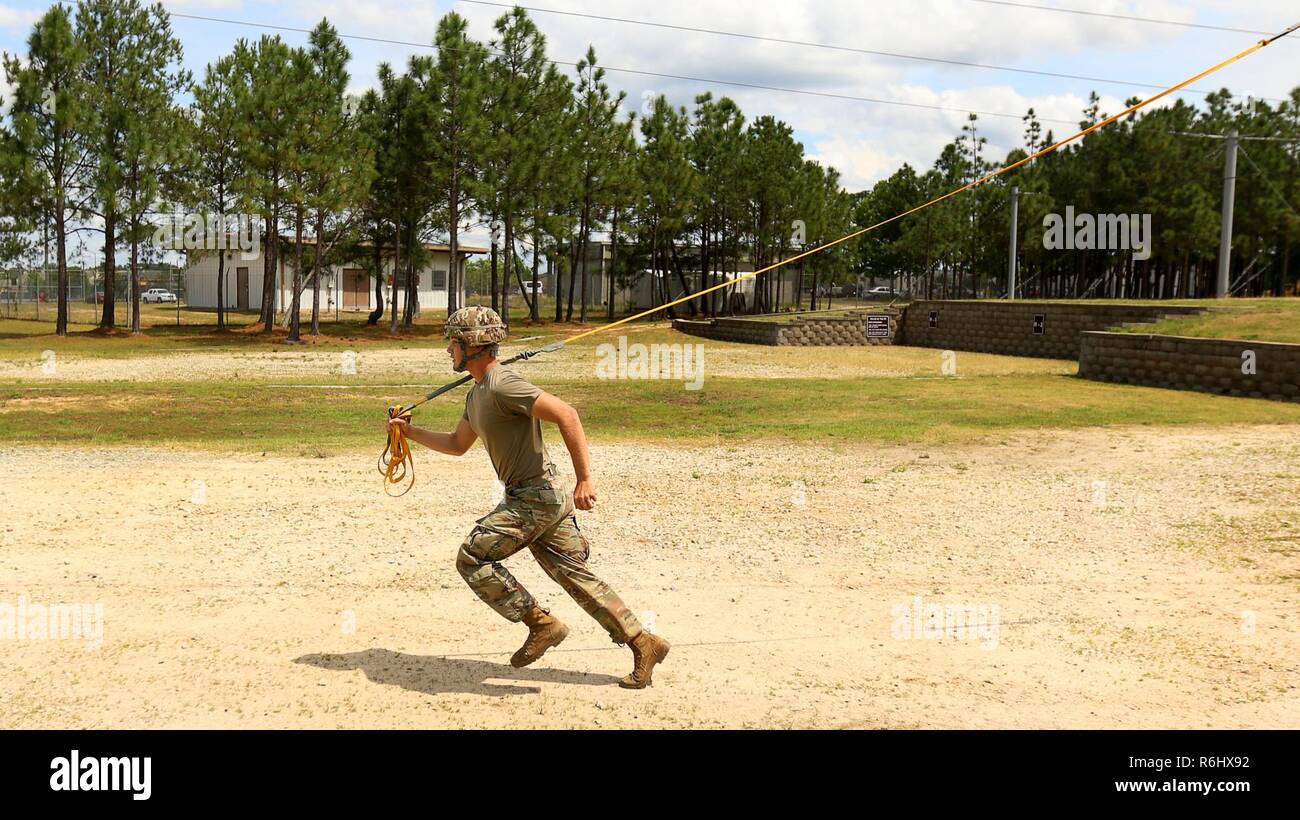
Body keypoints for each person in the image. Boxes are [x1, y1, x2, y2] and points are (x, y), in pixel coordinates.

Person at [389, 306, 670, 688]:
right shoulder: (477, 394)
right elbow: (457, 444)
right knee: (576, 578)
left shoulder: (504, 384)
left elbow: (567, 415)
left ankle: (541, 624)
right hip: (539, 498)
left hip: (535, 497)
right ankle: (644, 642)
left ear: (470, 345)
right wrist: (409, 432)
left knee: (473, 556)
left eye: (452, 344)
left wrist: (585, 479)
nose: (448, 351)